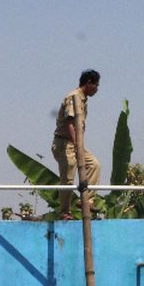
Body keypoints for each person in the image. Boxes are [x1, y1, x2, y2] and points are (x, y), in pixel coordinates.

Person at [51, 69, 101, 217]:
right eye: (96, 85)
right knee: (68, 177)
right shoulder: (74, 97)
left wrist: (78, 146)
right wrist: (77, 144)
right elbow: (70, 123)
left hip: (74, 143)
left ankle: (87, 200)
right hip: (64, 143)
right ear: (89, 83)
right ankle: (65, 212)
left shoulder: (83, 99)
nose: (97, 89)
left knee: (94, 165)